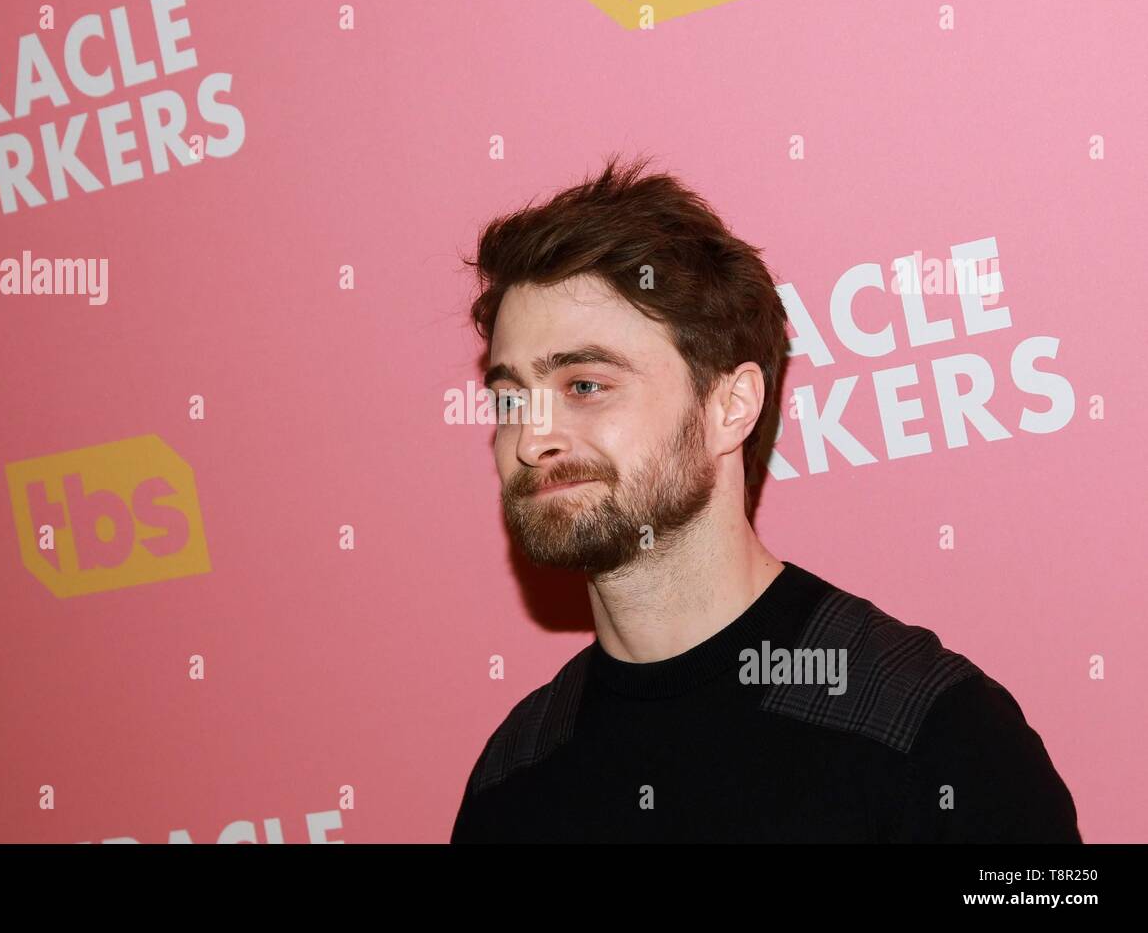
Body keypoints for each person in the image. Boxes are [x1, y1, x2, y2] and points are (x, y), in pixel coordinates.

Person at [449, 153, 1081, 842]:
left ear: (731, 404)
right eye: (511, 398)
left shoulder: (929, 731)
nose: (531, 439)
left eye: (585, 385)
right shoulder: (514, 775)